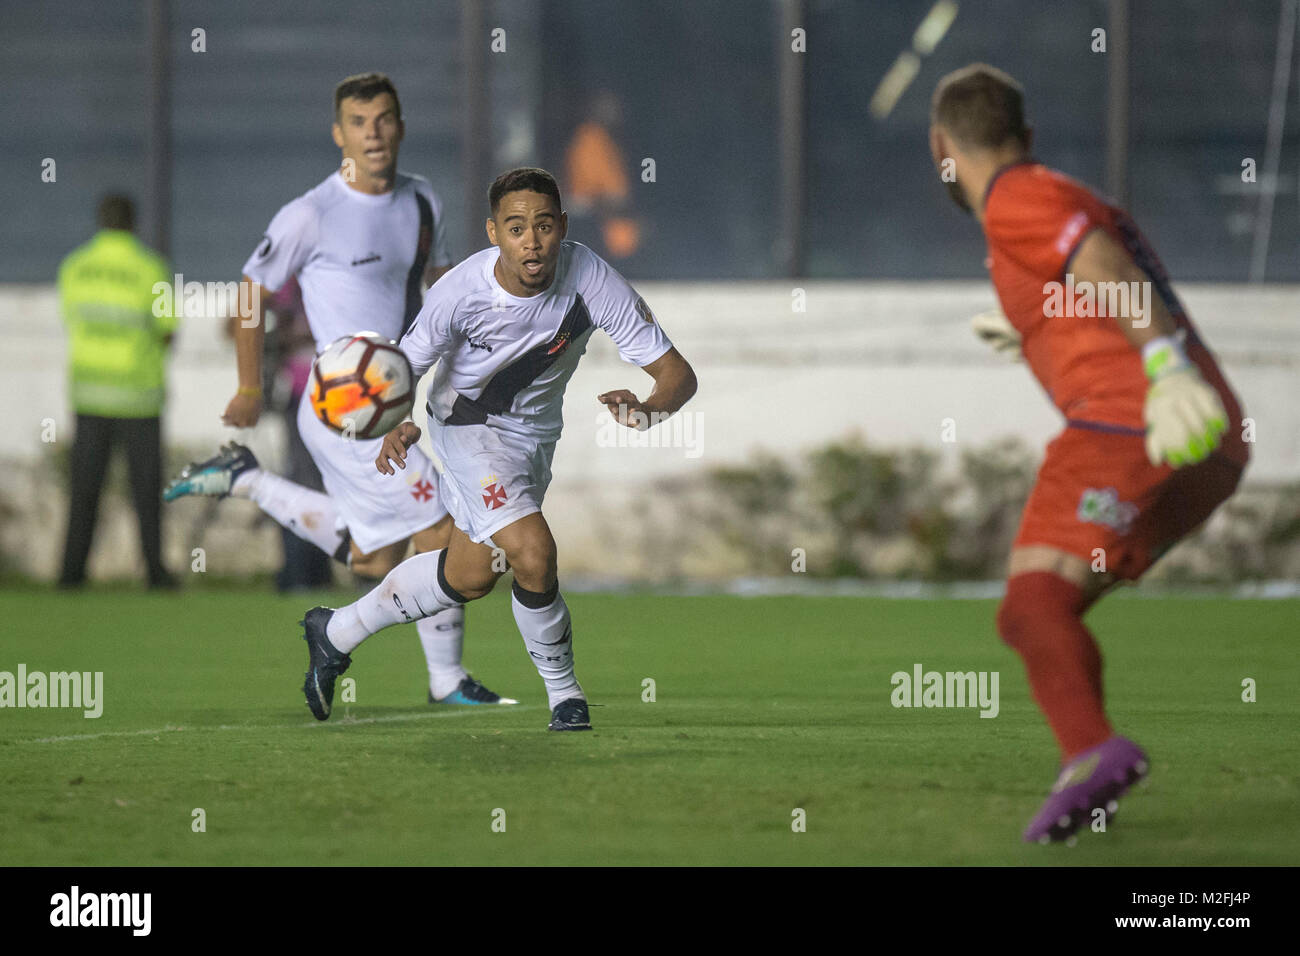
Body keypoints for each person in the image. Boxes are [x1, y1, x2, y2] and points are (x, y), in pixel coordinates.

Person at [929, 64, 1249, 842]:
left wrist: (1162, 366)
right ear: (1027, 135)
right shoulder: (1058, 189)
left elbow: (1105, 267)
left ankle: (1093, 753)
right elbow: (1094, 277)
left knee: (1032, 604)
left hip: (1132, 423)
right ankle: (1090, 757)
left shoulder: (1014, 195)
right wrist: (1041, 329)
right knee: (1045, 610)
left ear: (942, 147)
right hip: (1205, 444)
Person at [297, 167, 697, 731]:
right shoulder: (460, 291)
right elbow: (404, 365)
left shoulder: (591, 277)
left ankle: (334, 631)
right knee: (533, 553)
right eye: (515, 228)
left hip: (534, 439)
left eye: (542, 226)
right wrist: (397, 422)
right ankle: (566, 697)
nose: (530, 241)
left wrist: (650, 408)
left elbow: (677, 375)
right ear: (493, 233)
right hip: (465, 426)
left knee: (470, 576)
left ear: (561, 226)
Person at [165, 72, 512, 707]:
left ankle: (247, 480)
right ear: (339, 134)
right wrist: (247, 384)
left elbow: (434, 285)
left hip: (393, 399)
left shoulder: (421, 200)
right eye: (358, 122)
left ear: (400, 126)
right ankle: (446, 681)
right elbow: (249, 296)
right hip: (346, 407)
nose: (372, 133)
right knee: (441, 533)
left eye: (383, 119)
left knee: (372, 560)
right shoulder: (311, 214)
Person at [58, 194, 177, 591]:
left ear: (100, 220)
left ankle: (71, 574)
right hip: (138, 397)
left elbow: (72, 318)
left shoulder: (75, 265)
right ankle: (155, 574)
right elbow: (167, 330)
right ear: (134, 222)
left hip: (89, 394)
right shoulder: (151, 268)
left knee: (84, 492)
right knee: (145, 493)